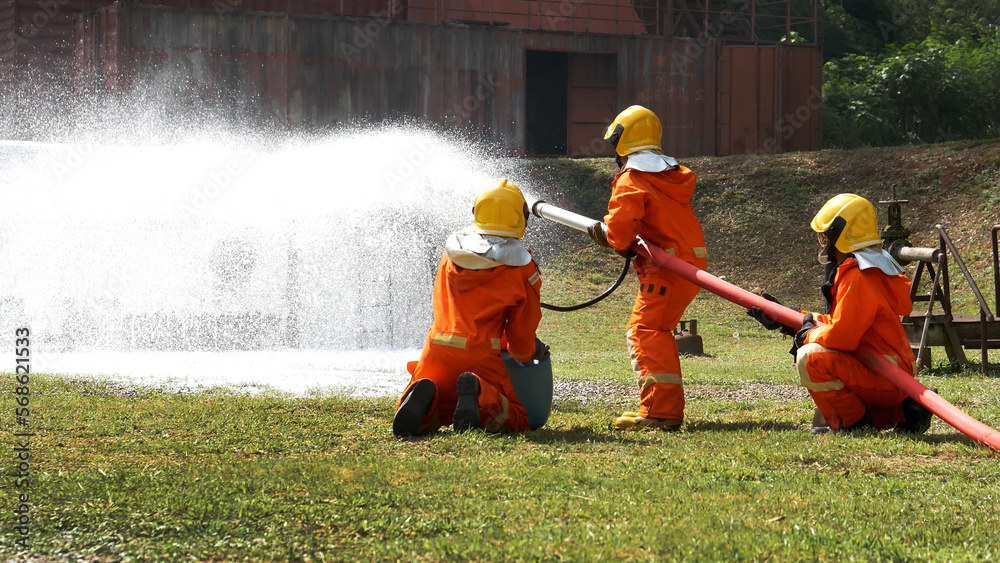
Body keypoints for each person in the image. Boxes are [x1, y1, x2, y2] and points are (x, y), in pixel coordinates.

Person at [748, 193, 933, 434]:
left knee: (810, 356)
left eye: (825, 235)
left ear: (839, 234)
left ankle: (854, 425)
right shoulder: (871, 267)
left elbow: (842, 337)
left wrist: (807, 334)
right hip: (888, 373)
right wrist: (789, 317)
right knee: (818, 374)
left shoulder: (859, 276)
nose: (823, 242)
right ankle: (905, 411)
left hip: (884, 376)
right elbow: (840, 323)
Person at [392, 178, 548, 437]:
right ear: (521, 219)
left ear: (477, 213)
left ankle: (423, 397)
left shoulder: (450, 257)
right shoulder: (522, 268)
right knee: (518, 418)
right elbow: (521, 340)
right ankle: (479, 393)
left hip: (436, 349)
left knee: (441, 405)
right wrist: (530, 352)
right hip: (480, 353)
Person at [587, 105, 708, 431]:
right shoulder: (671, 176)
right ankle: (662, 407)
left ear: (621, 142)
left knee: (646, 332)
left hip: (666, 271)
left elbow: (620, 232)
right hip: (689, 263)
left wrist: (610, 236)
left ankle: (660, 412)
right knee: (657, 331)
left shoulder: (632, 179)